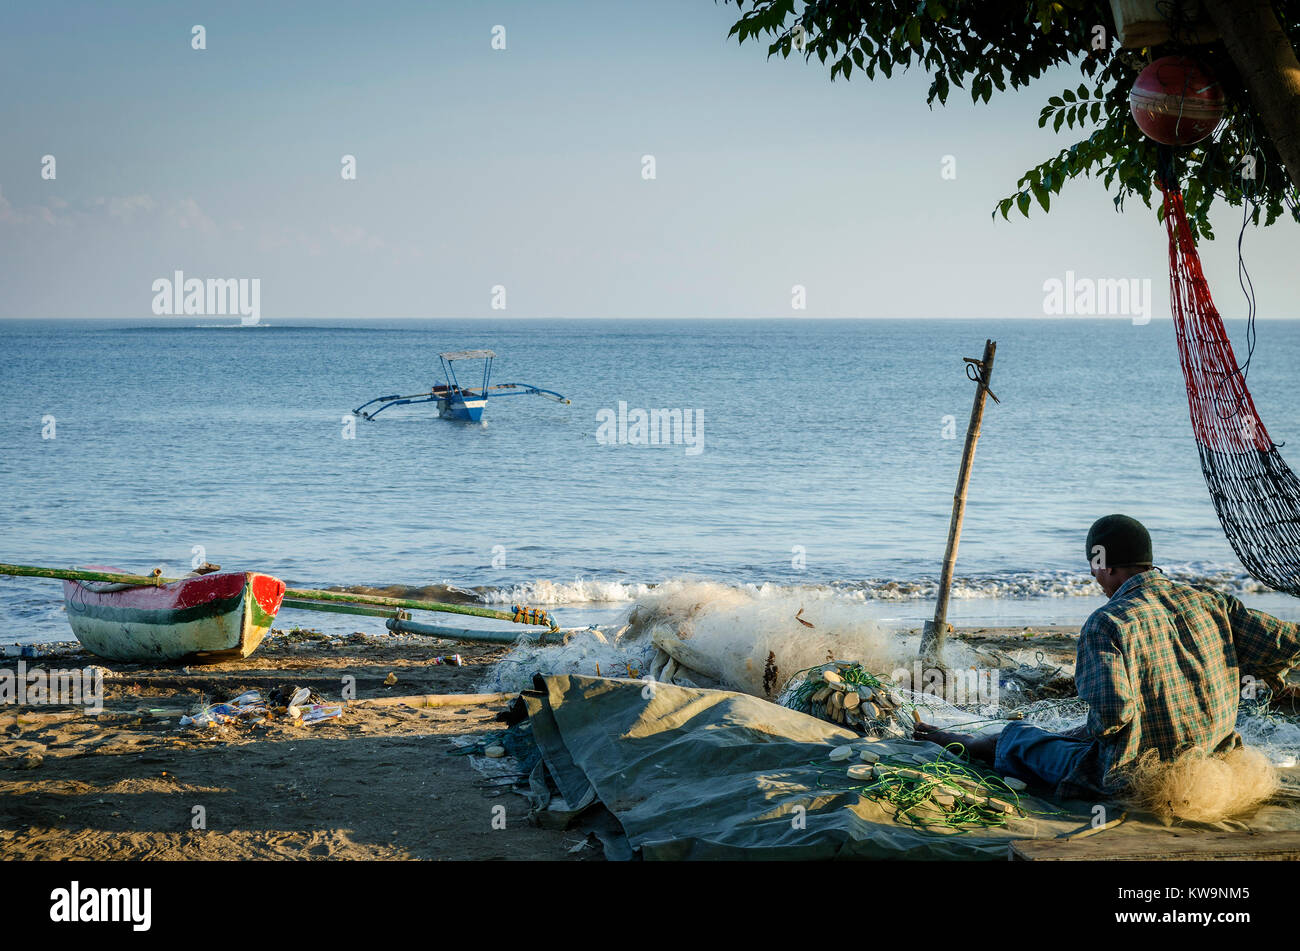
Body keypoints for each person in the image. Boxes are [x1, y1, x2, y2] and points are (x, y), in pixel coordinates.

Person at [914, 514, 1300, 800]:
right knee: (1058, 736)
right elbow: (1286, 643)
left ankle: (952, 738)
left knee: (1018, 739)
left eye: (1093, 569)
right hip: (1218, 763)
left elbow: (1114, 717)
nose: (1095, 580)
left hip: (1138, 780)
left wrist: (1088, 735)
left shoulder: (1107, 622)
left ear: (1104, 565)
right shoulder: (1213, 602)